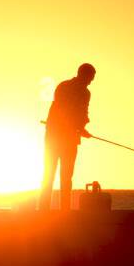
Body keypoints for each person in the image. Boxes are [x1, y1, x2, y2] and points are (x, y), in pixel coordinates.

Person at [40, 63, 94, 211]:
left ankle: (47, 210)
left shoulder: (64, 86)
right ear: (84, 75)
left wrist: (81, 128)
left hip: (56, 137)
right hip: (61, 138)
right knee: (60, 175)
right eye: (90, 78)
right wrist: (80, 128)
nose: (90, 82)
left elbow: (79, 113)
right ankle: (61, 211)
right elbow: (75, 113)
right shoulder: (80, 92)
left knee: (53, 175)